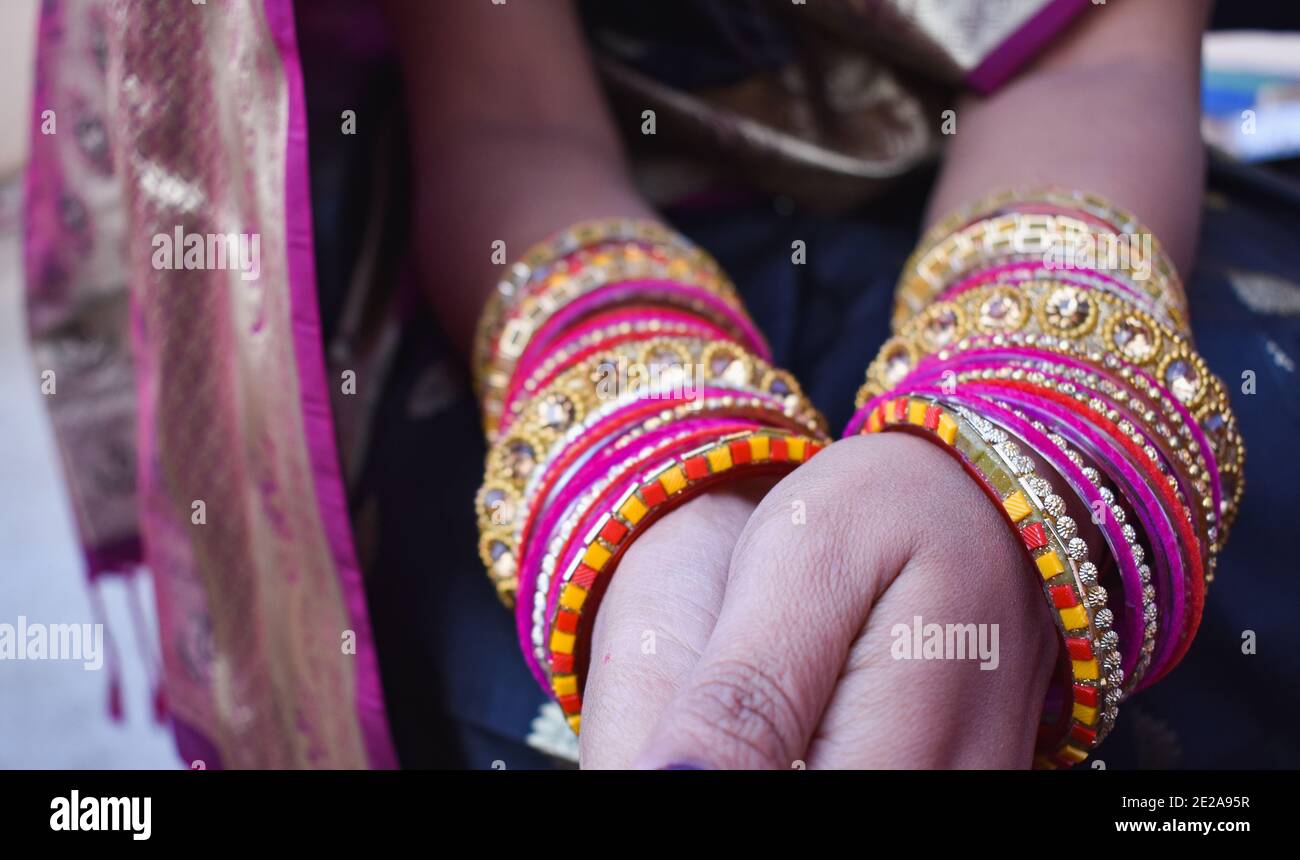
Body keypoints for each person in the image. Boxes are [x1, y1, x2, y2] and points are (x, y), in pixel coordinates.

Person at [25, 0, 1285, 770]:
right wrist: (653, 462)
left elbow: (1094, 67)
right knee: (530, 665)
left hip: (1061, 157)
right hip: (581, 214)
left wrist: (1006, 449)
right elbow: (511, 124)